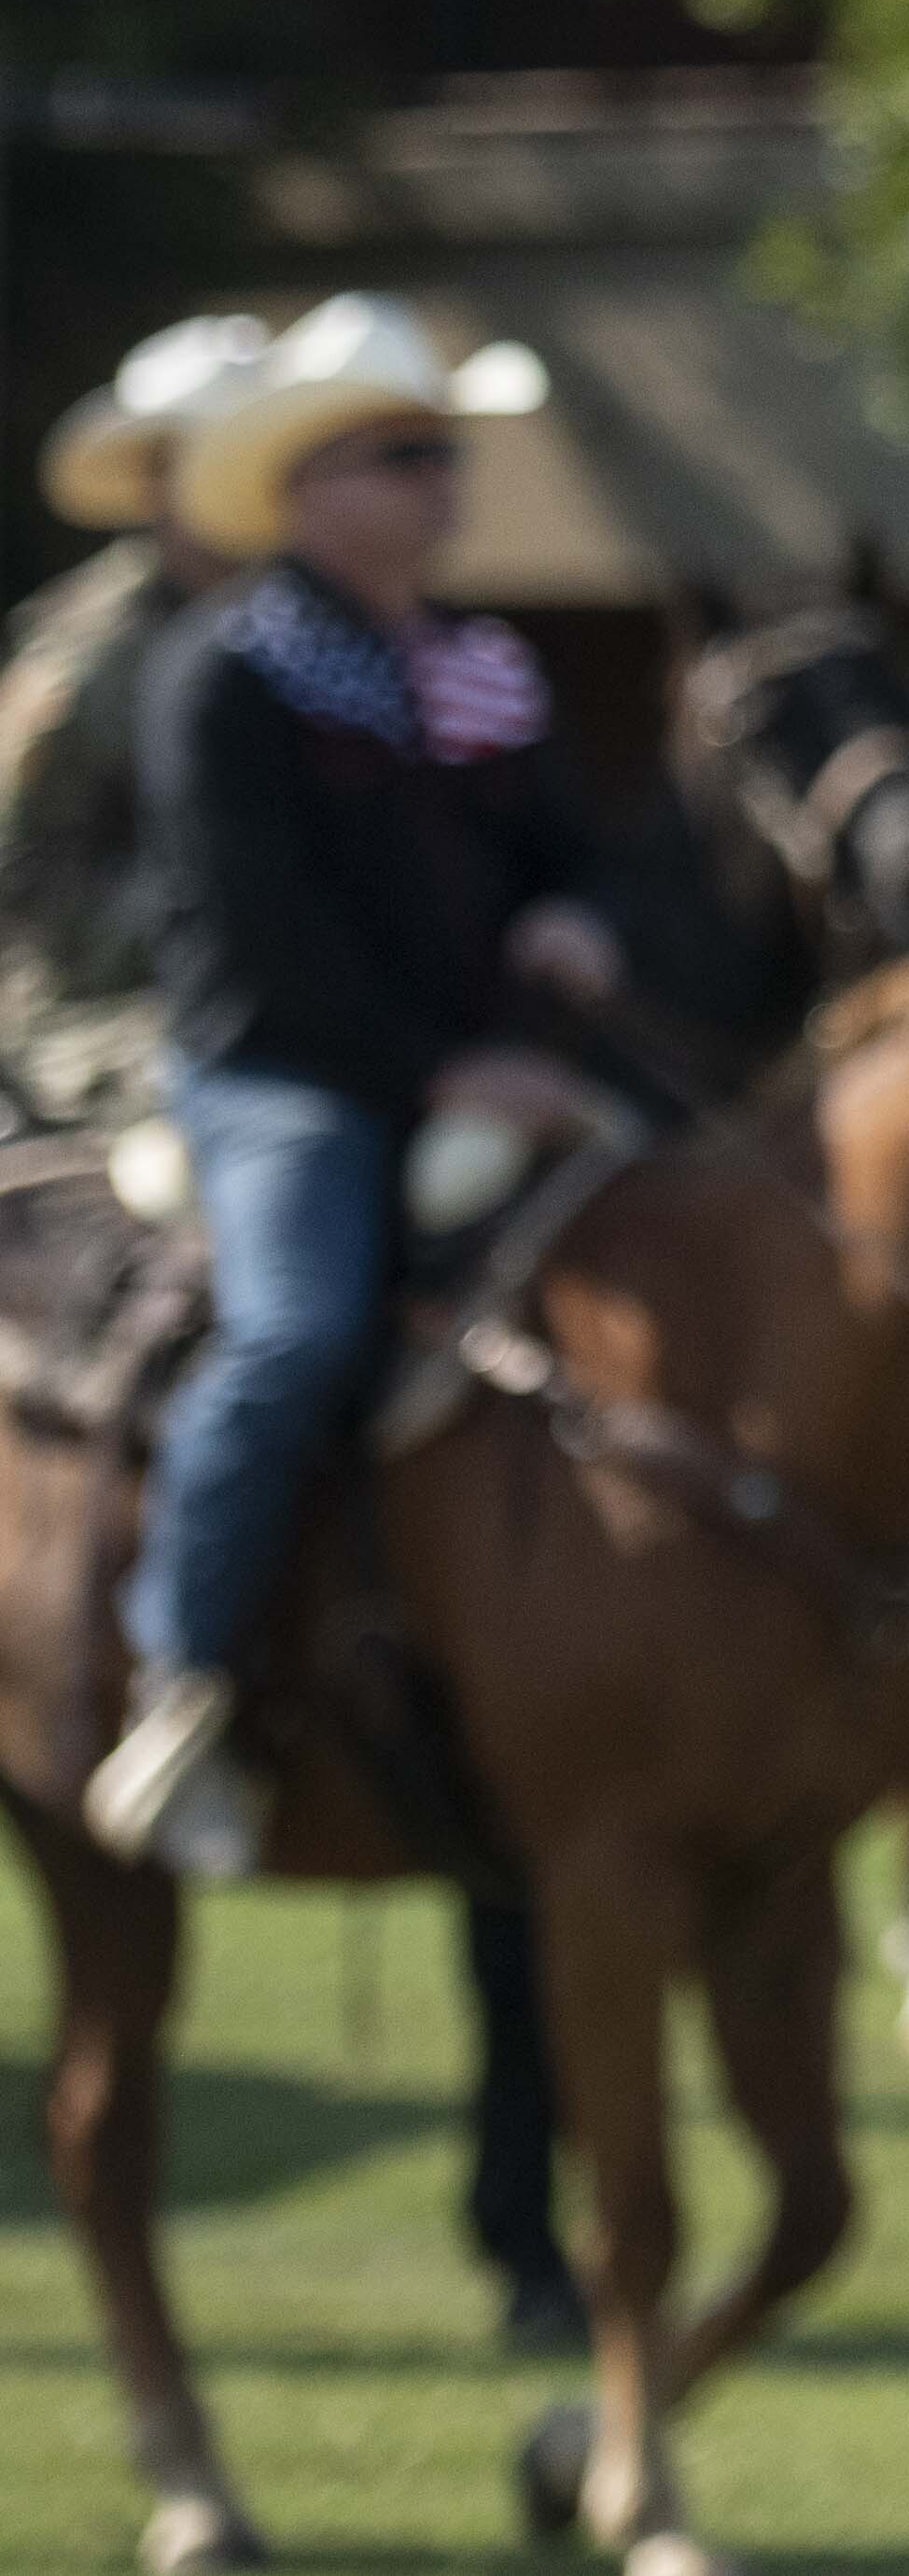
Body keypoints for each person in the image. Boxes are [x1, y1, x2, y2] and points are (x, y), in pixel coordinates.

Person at [85, 302, 615, 1876]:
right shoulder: (224, 675)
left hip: (499, 1074)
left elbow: (560, 846)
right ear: (311, 486)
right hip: (286, 1082)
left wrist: (582, 912)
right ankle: (177, 1670)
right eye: (408, 456)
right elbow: (266, 939)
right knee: (295, 1332)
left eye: (446, 454)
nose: (445, 483)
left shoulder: (480, 665)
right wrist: (455, 1064)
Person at [0, 315, 267, 1133]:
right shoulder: (93, 651)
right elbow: (19, 866)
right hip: (93, 1015)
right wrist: (200, 916)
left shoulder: (294, 625)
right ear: (159, 477)